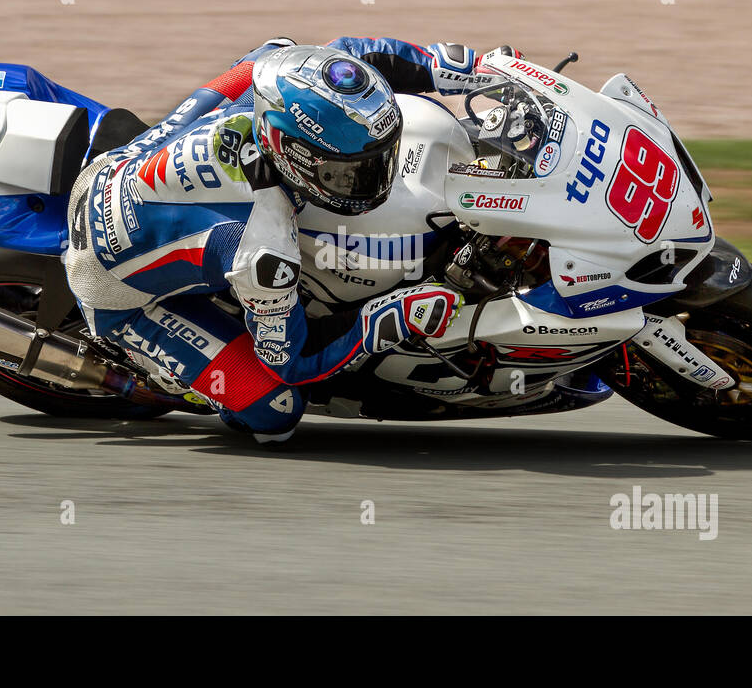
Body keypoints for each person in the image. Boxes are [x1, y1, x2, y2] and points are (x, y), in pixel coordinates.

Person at [64, 37, 508, 443]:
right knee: (277, 412)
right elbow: (290, 359)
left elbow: (356, 53)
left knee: (274, 46)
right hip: (110, 285)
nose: (375, 180)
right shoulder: (263, 248)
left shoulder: (275, 72)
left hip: (121, 164)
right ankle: (170, 376)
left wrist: (472, 68)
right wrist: (385, 319)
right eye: (350, 173)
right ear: (293, 156)